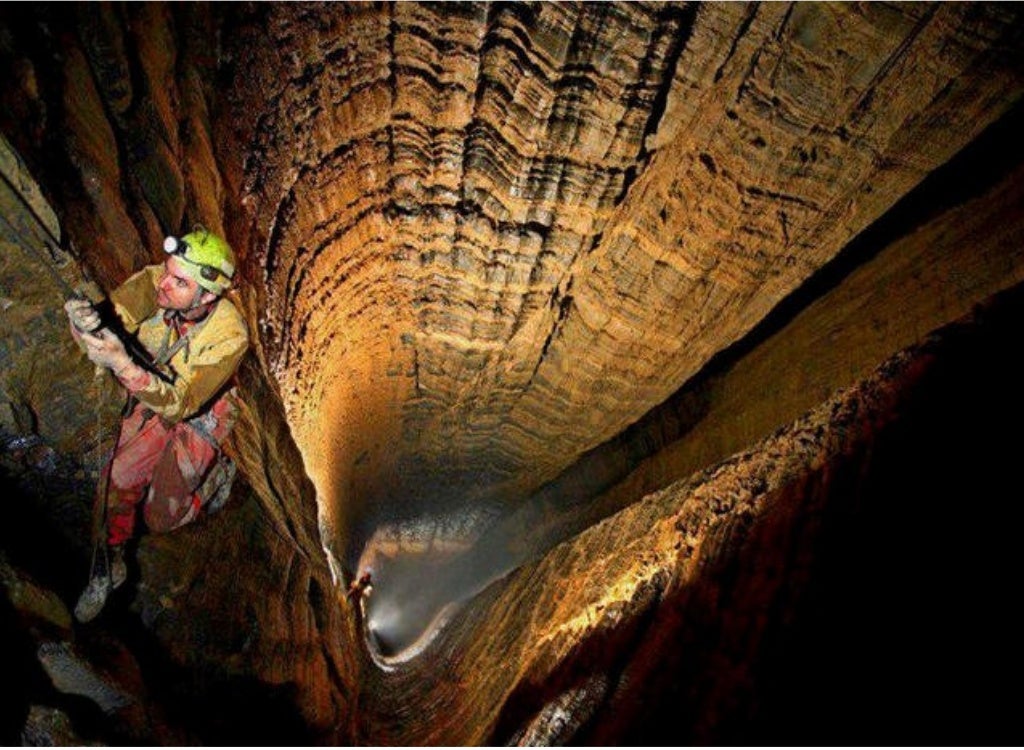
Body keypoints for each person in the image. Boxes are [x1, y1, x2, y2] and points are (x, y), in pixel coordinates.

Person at [65, 227, 249, 623]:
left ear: (208, 295)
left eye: (179, 282)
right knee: (116, 476)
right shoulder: (155, 283)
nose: (164, 283)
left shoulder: (231, 335)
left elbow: (183, 403)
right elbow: (108, 322)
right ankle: (112, 559)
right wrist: (84, 325)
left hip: (202, 411)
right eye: (168, 270)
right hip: (152, 389)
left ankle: (215, 484)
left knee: (161, 517)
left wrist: (124, 365)